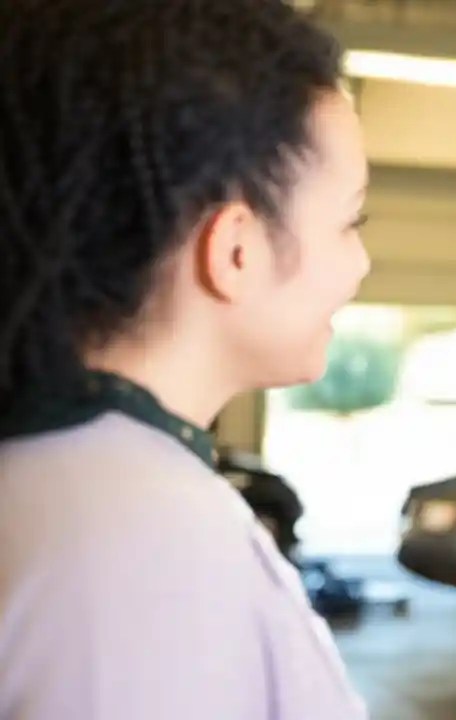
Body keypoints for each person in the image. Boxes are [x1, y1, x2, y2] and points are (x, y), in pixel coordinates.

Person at [0, 1, 372, 718]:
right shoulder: (138, 547)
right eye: (350, 221)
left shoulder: (72, 479)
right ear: (236, 250)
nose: (360, 264)